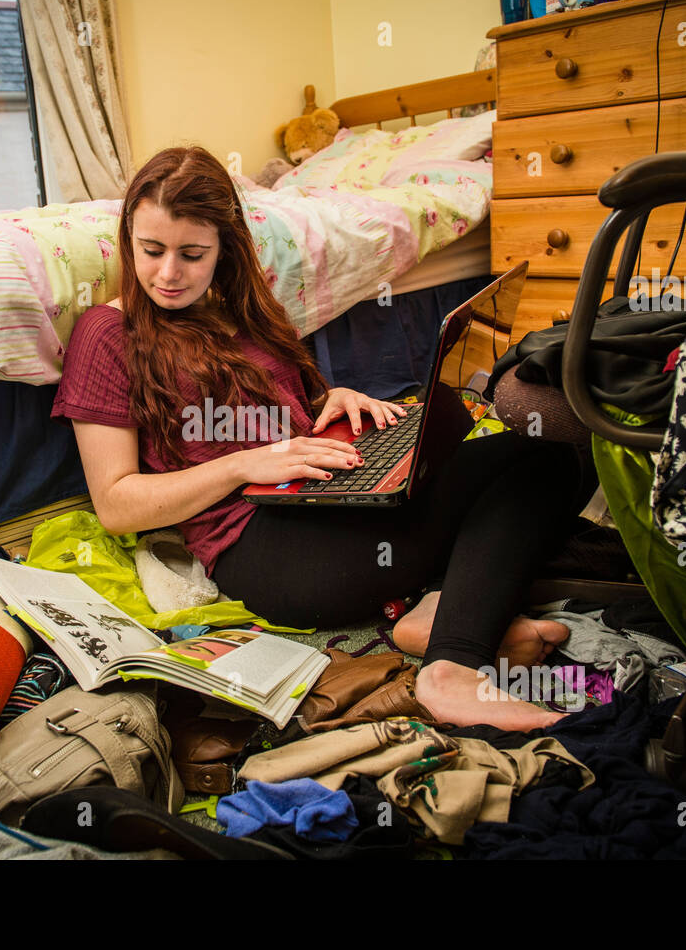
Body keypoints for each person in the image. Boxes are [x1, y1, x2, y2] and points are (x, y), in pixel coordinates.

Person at [52, 147, 589, 730]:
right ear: (129, 241)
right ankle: (452, 669)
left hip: (322, 486)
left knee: (546, 452)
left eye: (192, 254)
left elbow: (285, 411)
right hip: (260, 544)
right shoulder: (107, 333)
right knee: (510, 483)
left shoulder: (243, 309)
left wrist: (329, 404)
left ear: (225, 248)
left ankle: (436, 609)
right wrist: (242, 466)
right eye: (150, 251)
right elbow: (115, 504)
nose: (168, 273)